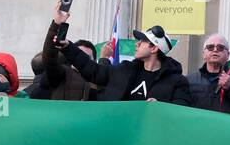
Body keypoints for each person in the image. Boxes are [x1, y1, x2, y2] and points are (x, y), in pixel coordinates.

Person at [61, 22, 190, 104]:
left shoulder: (177, 81)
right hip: (118, 136)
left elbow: (182, 109)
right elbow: (94, 71)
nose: (137, 44)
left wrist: (161, 105)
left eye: (142, 41)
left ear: (154, 48)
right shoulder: (126, 69)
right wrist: (68, 47)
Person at [27, 1, 100, 100]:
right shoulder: (62, 75)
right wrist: (57, 24)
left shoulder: (100, 82)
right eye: (78, 55)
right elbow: (49, 58)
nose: (81, 60)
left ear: (94, 61)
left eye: (86, 57)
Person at [186, 34, 230, 115]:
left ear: (228, 55)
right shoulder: (189, 80)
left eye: (220, 47)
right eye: (210, 47)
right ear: (203, 54)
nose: (215, 50)